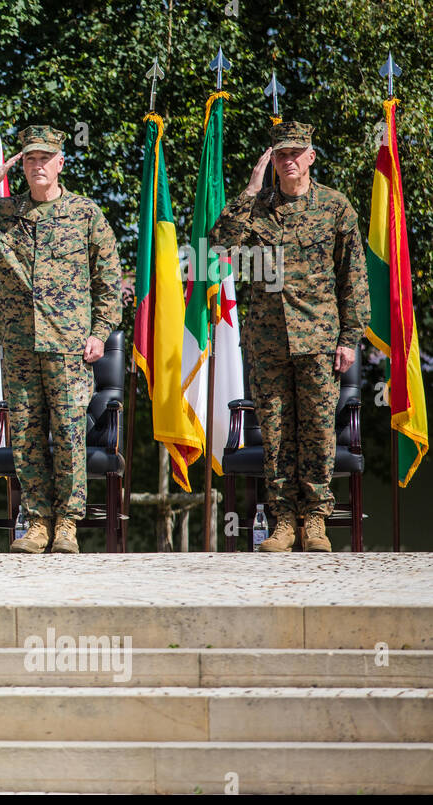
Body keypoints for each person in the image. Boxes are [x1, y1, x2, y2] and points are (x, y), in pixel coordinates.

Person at [0, 125, 122, 553]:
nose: (38, 166)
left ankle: (69, 525)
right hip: (19, 341)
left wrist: (99, 331)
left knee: (70, 432)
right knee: (25, 432)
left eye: (46, 158)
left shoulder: (85, 213)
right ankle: (37, 521)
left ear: (61, 162)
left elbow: (109, 280)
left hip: (69, 343)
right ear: (21, 165)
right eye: (30, 159)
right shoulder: (2, 211)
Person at [208, 122, 367, 552]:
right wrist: (249, 191)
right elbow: (217, 251)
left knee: (316, 431)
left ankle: (315, 519)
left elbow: (352, 277)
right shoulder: (256, 207)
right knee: (276, 433)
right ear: (272, 160)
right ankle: (282, 520)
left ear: (311, 156)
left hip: (317, 338)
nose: (289, 160)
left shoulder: (335, 207)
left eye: (296, 152)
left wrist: (349, 336)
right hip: (267, 341)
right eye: (281, 154)